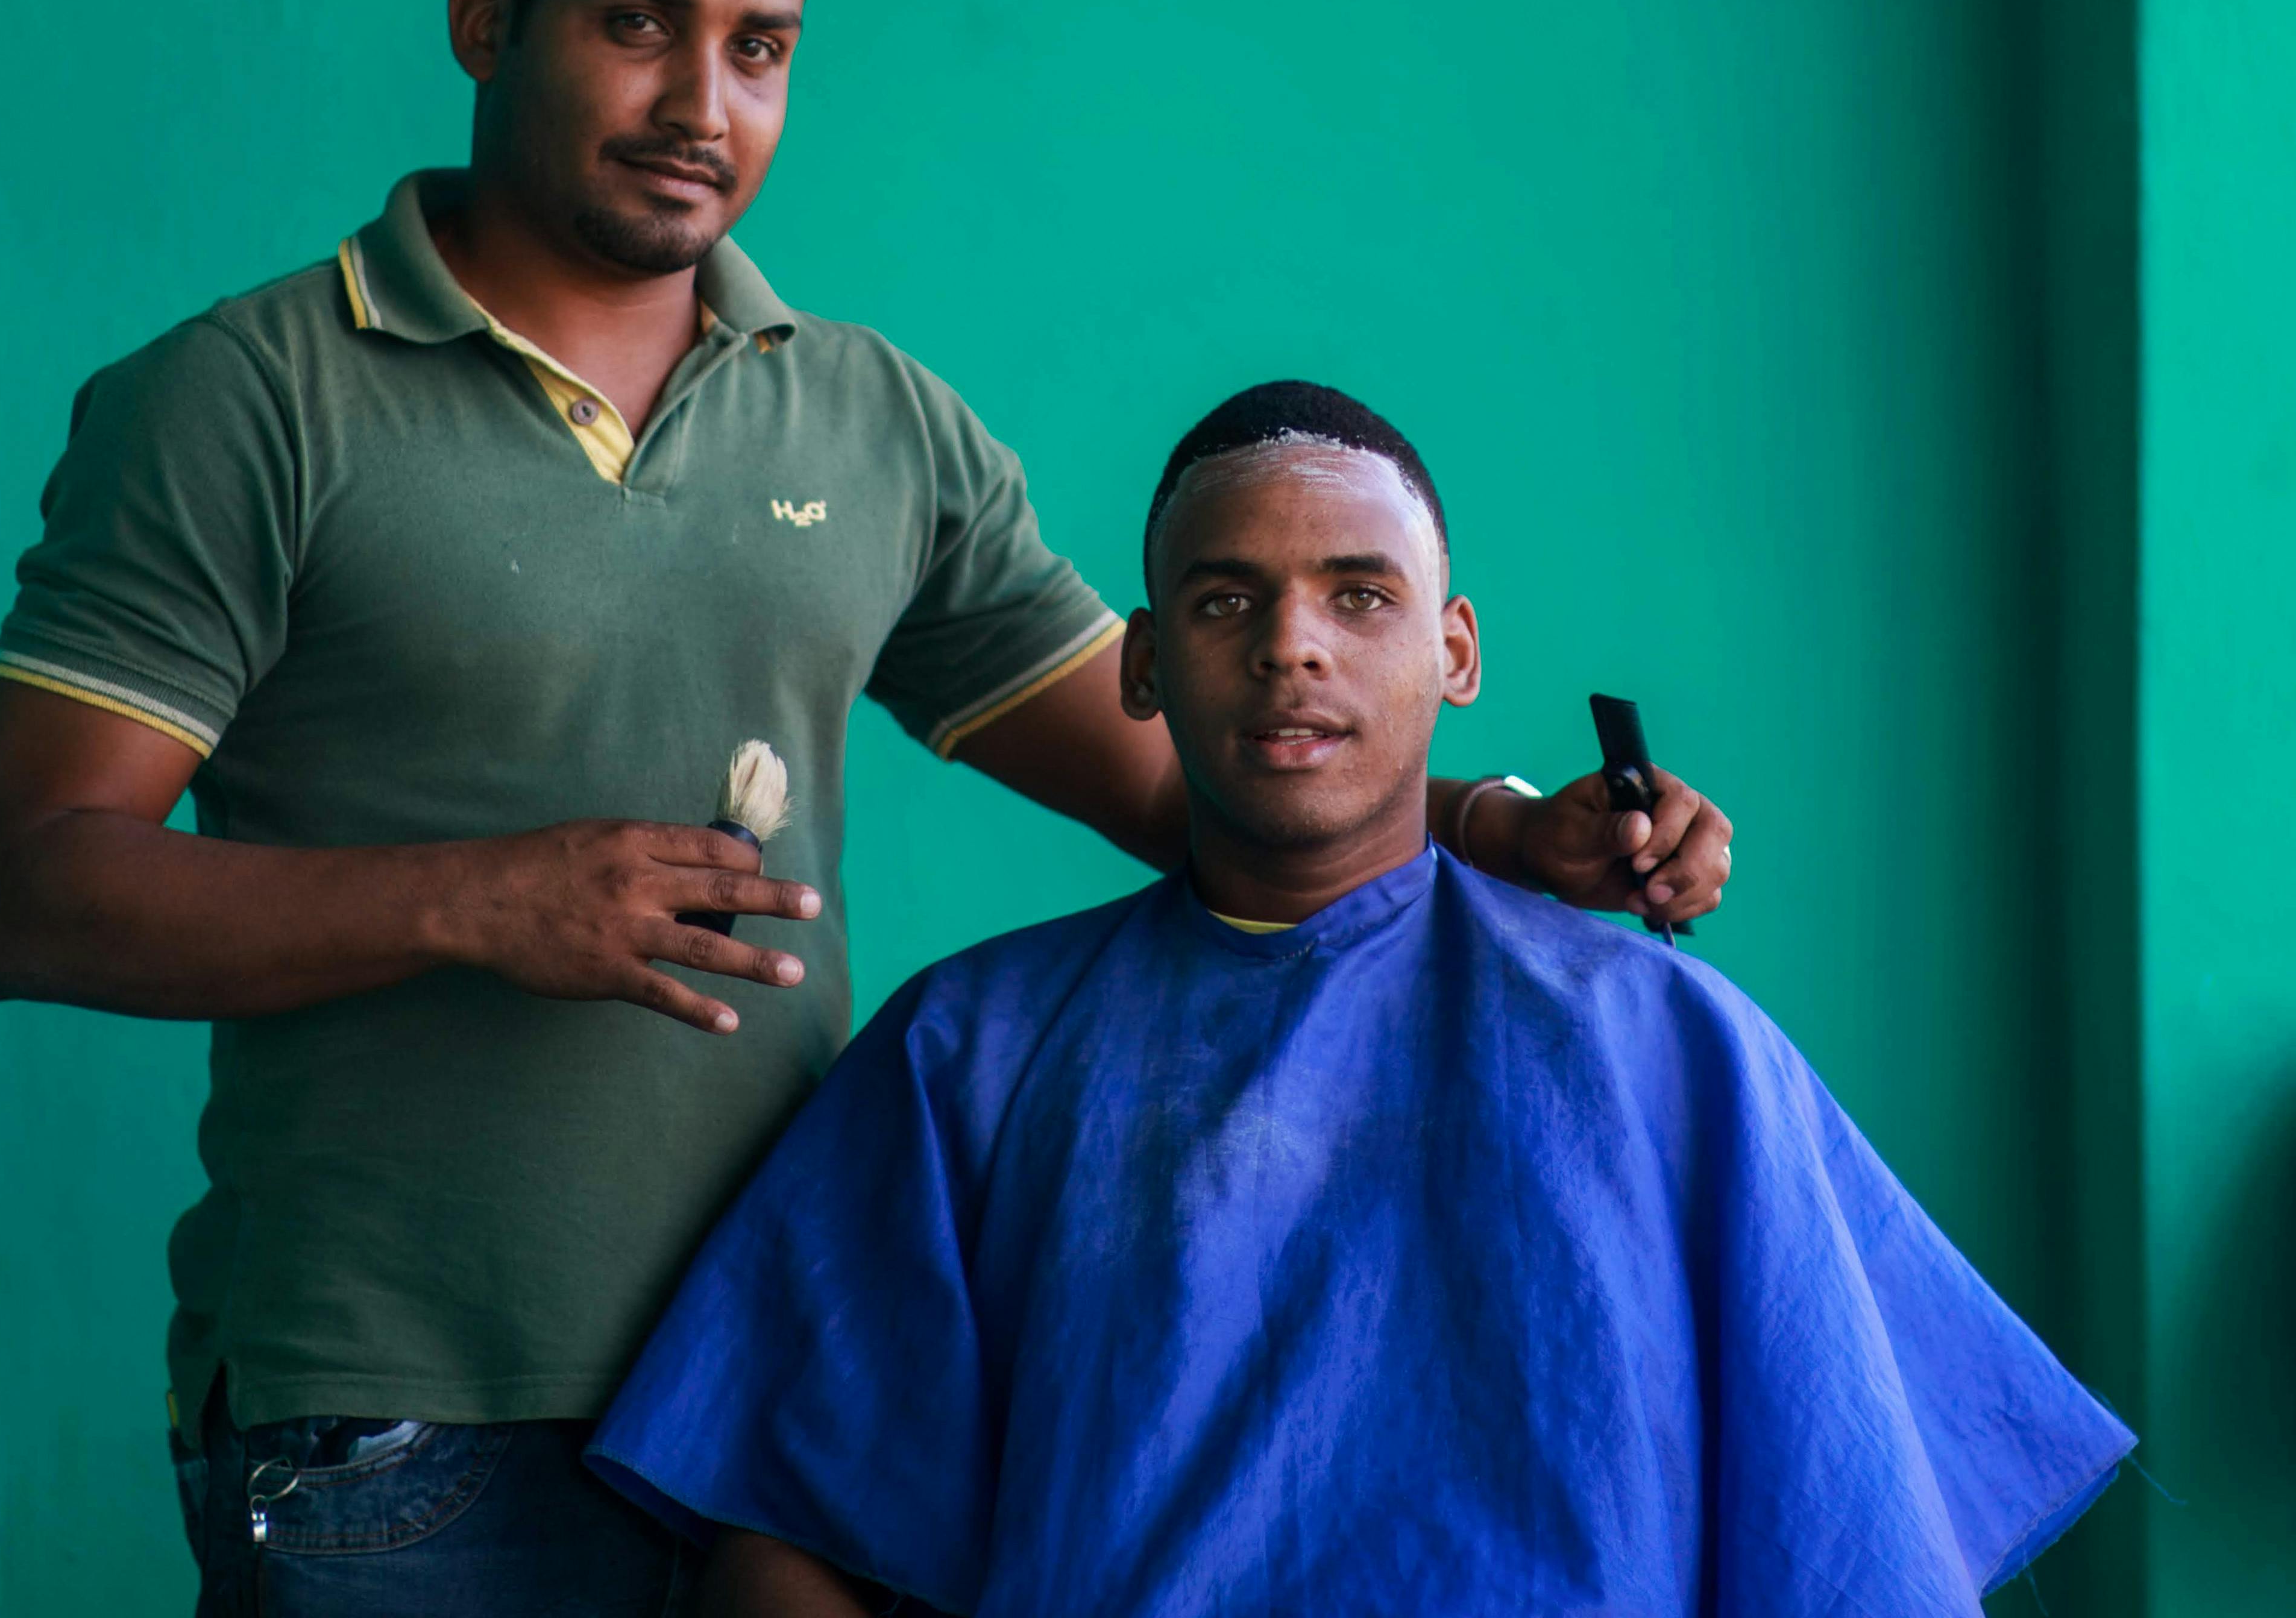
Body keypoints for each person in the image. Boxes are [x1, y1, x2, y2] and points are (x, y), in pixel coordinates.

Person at [0, 0, 1734, 1615]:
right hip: (408, 1433)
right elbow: (23, 892)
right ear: (487, 21)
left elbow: (1191, 775)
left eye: (759, 47)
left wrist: (1504, 830)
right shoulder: (244, 400)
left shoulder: (871, 421)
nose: (700, 104)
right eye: (636, 24)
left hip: (793, 1438)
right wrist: (475, 900)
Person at [587, 381, 2132, 1618]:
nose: (1292, 648)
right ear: (1140, 668)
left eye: (1360, 596)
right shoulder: (972, 1052)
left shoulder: (1667, 1049)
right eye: (1224, 604)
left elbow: (1852, 1540)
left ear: (1455, 652)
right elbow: (777, 1530)